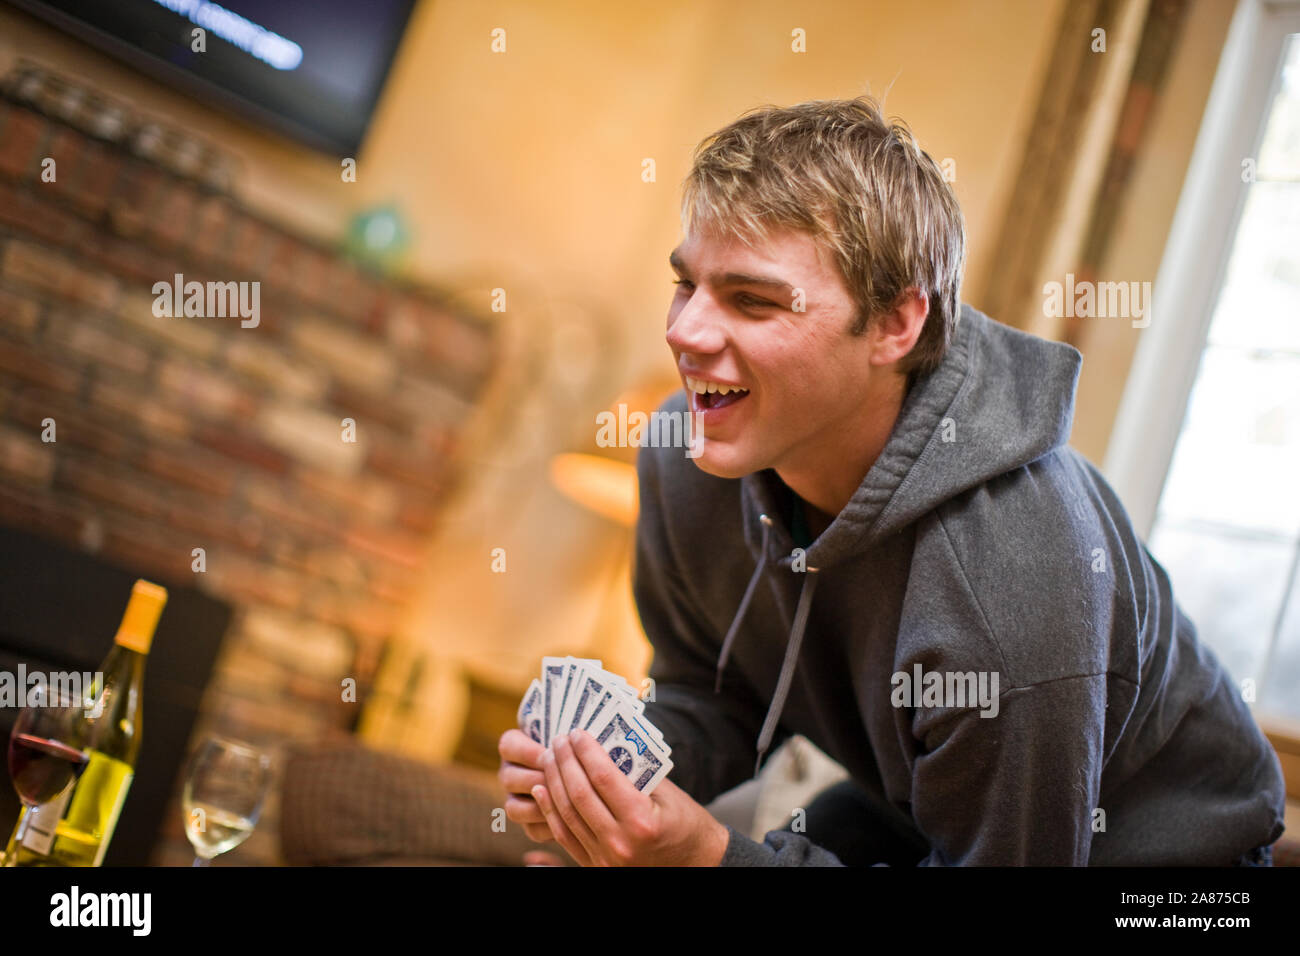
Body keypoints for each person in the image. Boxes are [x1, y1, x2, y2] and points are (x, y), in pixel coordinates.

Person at [497, 95, 1287, 866]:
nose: (685, 332)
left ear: (895, 324)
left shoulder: (1011, 577)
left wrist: (708, 858)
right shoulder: (688, 455)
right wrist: (596, 781)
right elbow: (714, 697)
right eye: (686, 285)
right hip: (905, 808)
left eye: (752, 300)